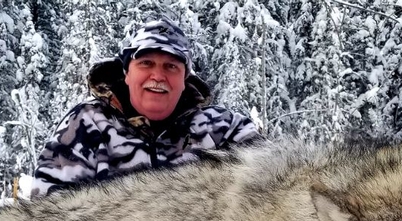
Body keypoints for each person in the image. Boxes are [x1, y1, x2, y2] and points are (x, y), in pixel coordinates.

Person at [28, 19, 261, 199]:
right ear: (127, 73)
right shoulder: (86, 123)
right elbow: (48, 215)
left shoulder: (225, 128)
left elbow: (276, 187)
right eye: (146, 63)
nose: (158, 76)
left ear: (185, 80)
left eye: (171, 66)